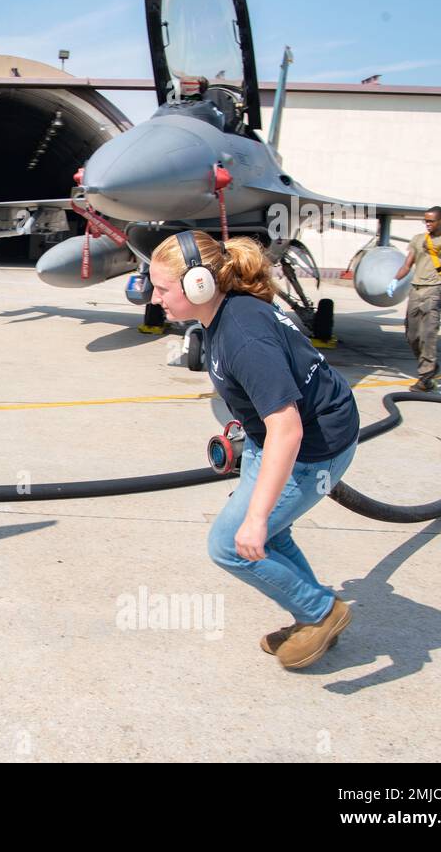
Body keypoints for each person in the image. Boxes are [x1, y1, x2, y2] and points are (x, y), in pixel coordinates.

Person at [149, 230, 361, 669]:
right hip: (276, 438)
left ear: (199, 285)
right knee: (269, 537)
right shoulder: (222, 319)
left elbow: (288, 429)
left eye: (163, 288)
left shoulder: (243, 336)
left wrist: (258, 515)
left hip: (314, 446)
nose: (155, 299)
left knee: (230, 543)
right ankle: (311, 615)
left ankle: (323, 613)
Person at [386, 206, 441, 392]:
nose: (428, 224)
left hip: (434, 291)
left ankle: (425, 378)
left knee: (428, 335)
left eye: (431, 221)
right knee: (412, 335)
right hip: (415, 291)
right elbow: (407, 264)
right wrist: (395, 280)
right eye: (426, 221)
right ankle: (430, 367)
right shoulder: (418, 240)